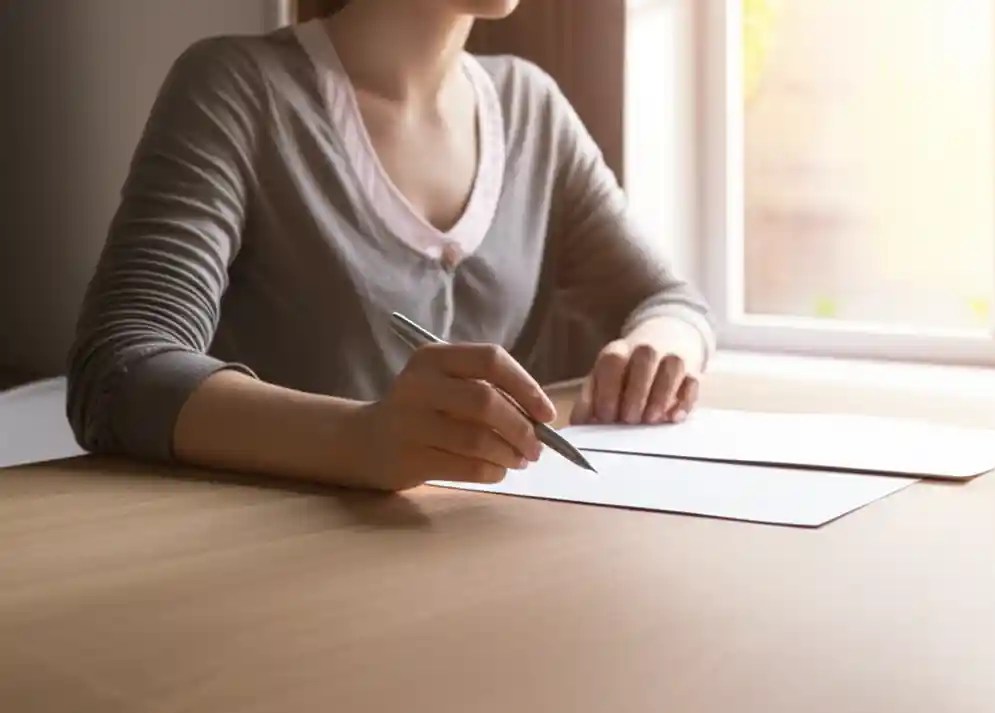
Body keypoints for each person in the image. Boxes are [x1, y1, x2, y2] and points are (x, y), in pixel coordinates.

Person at [67, 0, 713, 491]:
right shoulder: (236, 89)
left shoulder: (530, 106)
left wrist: (662, 346)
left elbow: (668, 300)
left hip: (465, 561)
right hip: (267, 575)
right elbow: (118, 374)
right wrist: (360, 439)